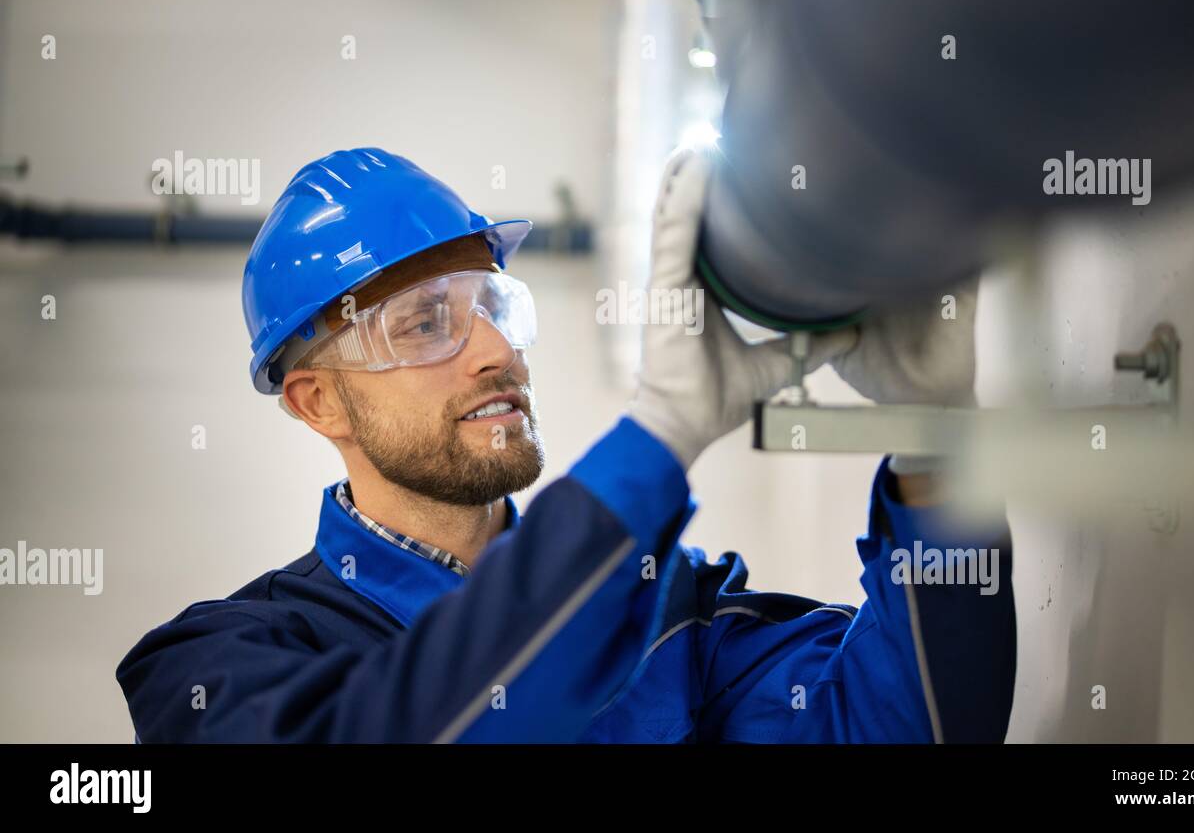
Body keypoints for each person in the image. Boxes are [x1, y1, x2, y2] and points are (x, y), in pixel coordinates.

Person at [116, 146, 1015, 743]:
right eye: (427, 324)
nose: (498, 352)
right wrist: (656, 439)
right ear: (319, 404)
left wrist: (935, 448)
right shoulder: (220, 667)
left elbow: (910, 728)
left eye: (491, 308)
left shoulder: (669, 614)